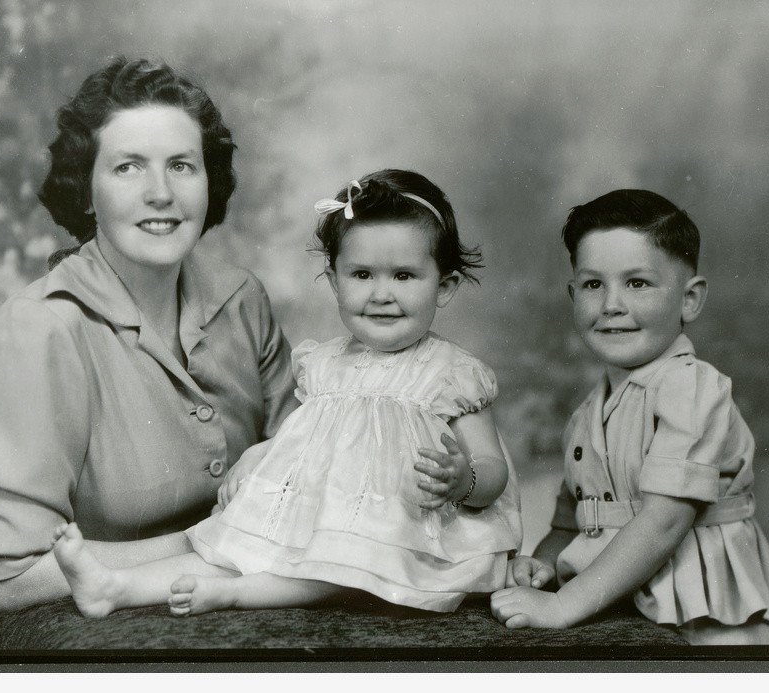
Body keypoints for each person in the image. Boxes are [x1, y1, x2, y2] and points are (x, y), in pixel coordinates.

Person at [50, 169, 523, 617]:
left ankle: (238, 594)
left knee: (341, 557)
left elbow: (492, 467)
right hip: (321, 517)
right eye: (361, 275)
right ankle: (116, 587)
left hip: (405, 535)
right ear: (334, 280)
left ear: (444, 286)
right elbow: (299, 439)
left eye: (403, 276)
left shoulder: (451, 374)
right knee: (231, 545)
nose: (381, 294)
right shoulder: (325, 365)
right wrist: (255, 459)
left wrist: (463, 481)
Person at [0, 57, 300, 613]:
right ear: (86, 191)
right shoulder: (39, 329)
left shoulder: (242, 298)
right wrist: (208, 544)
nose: (161, 193)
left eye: (182, 165)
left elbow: (306, 466)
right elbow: (10, 579)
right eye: (128, 167)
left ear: (209, 182)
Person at [491, 189, 769, 644]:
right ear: (573, 295)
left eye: (637, 283)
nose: (611, 304)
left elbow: (665, 521)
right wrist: (544, 563)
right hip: (615, 599)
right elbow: (570, 520)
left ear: (689, 300)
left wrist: (561, 605)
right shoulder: (588, 411)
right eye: (593, 285)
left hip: (705, 607)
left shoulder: (692, 388)